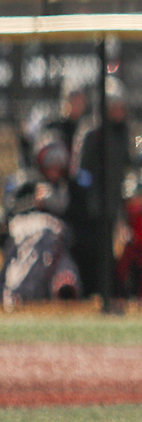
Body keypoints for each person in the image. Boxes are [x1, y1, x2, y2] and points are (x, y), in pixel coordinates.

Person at [1, 131, 82, 309]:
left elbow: (79, 219)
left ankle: (62, 299)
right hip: (25, 243)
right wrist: (33, 203)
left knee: (66, 274)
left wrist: (58, 204)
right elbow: (9, 215)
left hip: (58, 246)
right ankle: (15, 294)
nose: (54, 165)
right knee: (43, 234)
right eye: (49, 159)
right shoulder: (26, 183)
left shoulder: (70, 188)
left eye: (59, 159)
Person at [69, 76, 134, 298]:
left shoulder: (124, 133)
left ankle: (111, 288)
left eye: (121, 107)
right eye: (115, 107)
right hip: (91, 207)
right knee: (95, 249)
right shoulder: (91, 133)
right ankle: (97, 288)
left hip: (114, 201)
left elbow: (130, 165)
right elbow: (80, 172)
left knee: (111, 247)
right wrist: (90, 197)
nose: (119, 111)